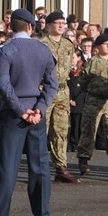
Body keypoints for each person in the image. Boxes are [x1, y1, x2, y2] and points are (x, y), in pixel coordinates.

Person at [0, 9, 57, 216]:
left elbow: (3, 85)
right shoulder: (43, 50)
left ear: (10, 27)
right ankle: (42, 214)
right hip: (36, 114)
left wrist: (21, 110)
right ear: (30, 27)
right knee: (39, 165)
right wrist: (39, 109)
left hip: (13, 114)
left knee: (9, 166)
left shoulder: (6, 51)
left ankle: (0, 215)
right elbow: (51, 84)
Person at [38, 10, 79, 182]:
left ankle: (61, 167)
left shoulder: (68, 45)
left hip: (62, 90)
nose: (62, 26)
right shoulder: (41, 44)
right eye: (58, 23)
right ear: (48, 25)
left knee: (61, 131)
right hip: (45, 90)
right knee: (42, 130)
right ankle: (39, 167)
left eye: (63, 23)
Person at [77, 33, 108, 177]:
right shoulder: (93, 62)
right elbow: (83, 80)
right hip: (94, 100)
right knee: (89, 129)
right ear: (98, 47)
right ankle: (83, 159)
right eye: (105, 44)